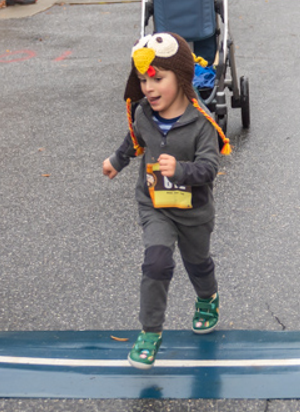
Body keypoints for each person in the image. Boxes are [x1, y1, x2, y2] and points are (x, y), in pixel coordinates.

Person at [102, 32, 231, 370]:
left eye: (158, 79)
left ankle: (207, 297)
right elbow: (135, 138)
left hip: (193, 210)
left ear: (182, 77)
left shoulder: (201, 122)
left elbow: (210, 166)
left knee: (198, 263)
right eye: (144, 79)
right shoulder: (144, 113)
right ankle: (150, 332)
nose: (149, 87)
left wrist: (181, 170)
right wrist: (117, 160)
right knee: (156, 263)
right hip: (155, 205)